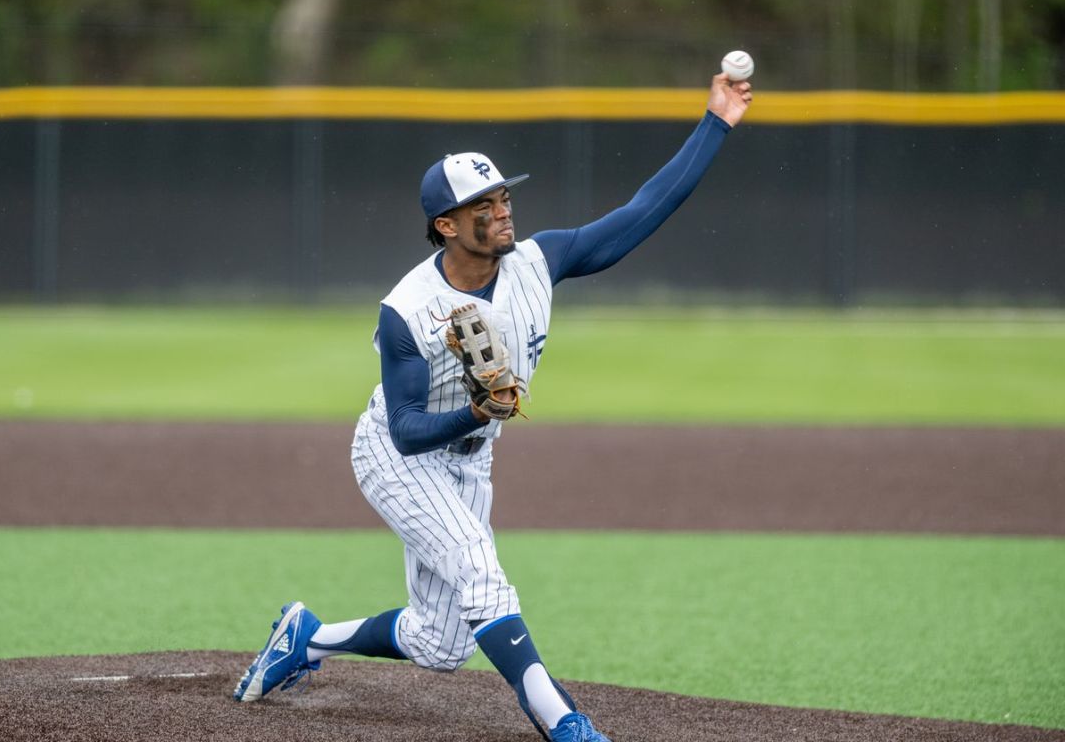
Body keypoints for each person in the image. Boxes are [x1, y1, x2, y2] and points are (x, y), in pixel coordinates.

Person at [233, 73, 753, 742]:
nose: (504, 208)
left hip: (469, 464)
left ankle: (306, 639)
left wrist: (716, 121)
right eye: (485, 202)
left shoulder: (541, 262)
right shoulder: (408, 313)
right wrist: (476, 413)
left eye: (505, 194)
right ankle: (561, 718)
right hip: (398, 455)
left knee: (441, 644)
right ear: (445, 225)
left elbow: (647, 208)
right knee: (480, 568)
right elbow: (409, 431)